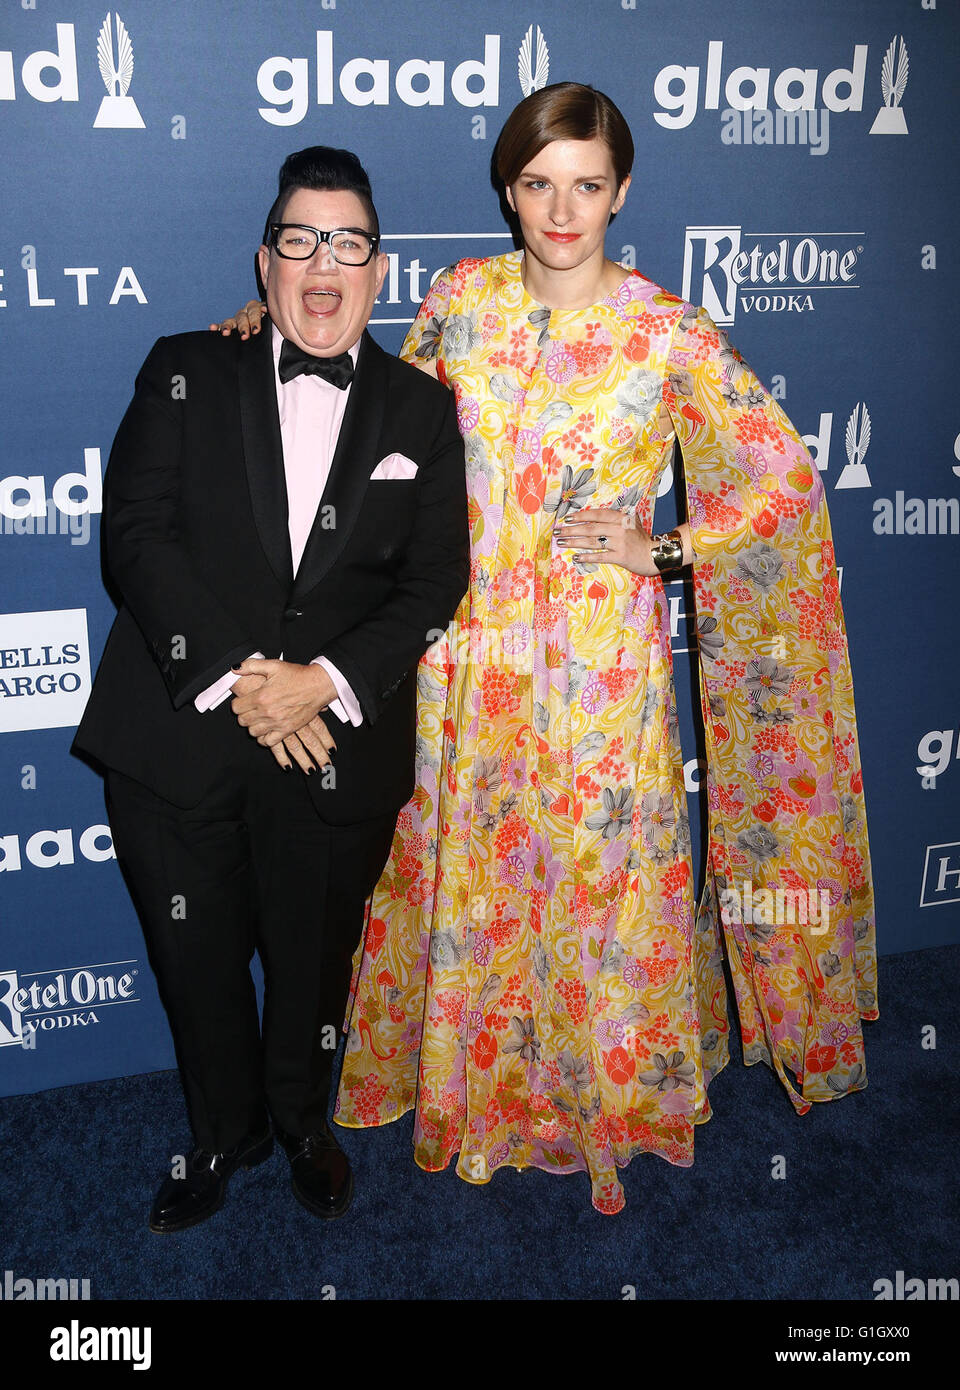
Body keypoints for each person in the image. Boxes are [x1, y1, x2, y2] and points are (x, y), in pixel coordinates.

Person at [218, 84, 877, 1215]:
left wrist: (664, 544)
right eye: (537, 184)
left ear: (622, 191)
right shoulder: (461, 301)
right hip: (465, 659)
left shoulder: (664, 330)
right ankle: (472, 1084)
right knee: (472, 865)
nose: (560, 210)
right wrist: (259, 321)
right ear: (508, 190)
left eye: (585, 185)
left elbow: (783, 488)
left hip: (597, 674)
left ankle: (606, 1098)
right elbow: (378, 400)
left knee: (592, 881)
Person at [73, 146, 470, 1231]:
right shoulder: (183, 366)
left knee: (313, 961)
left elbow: (439, 579)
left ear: (379, 269)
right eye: (301, 241)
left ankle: (303, 1120)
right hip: (176, 736)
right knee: (194, 961)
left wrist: (325, 682)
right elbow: (136, 537)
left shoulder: (423, 412)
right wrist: (245, 679)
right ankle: (222, 1132)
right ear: (267, 262)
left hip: (334, 744)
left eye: (348, 243)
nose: (324, 266)